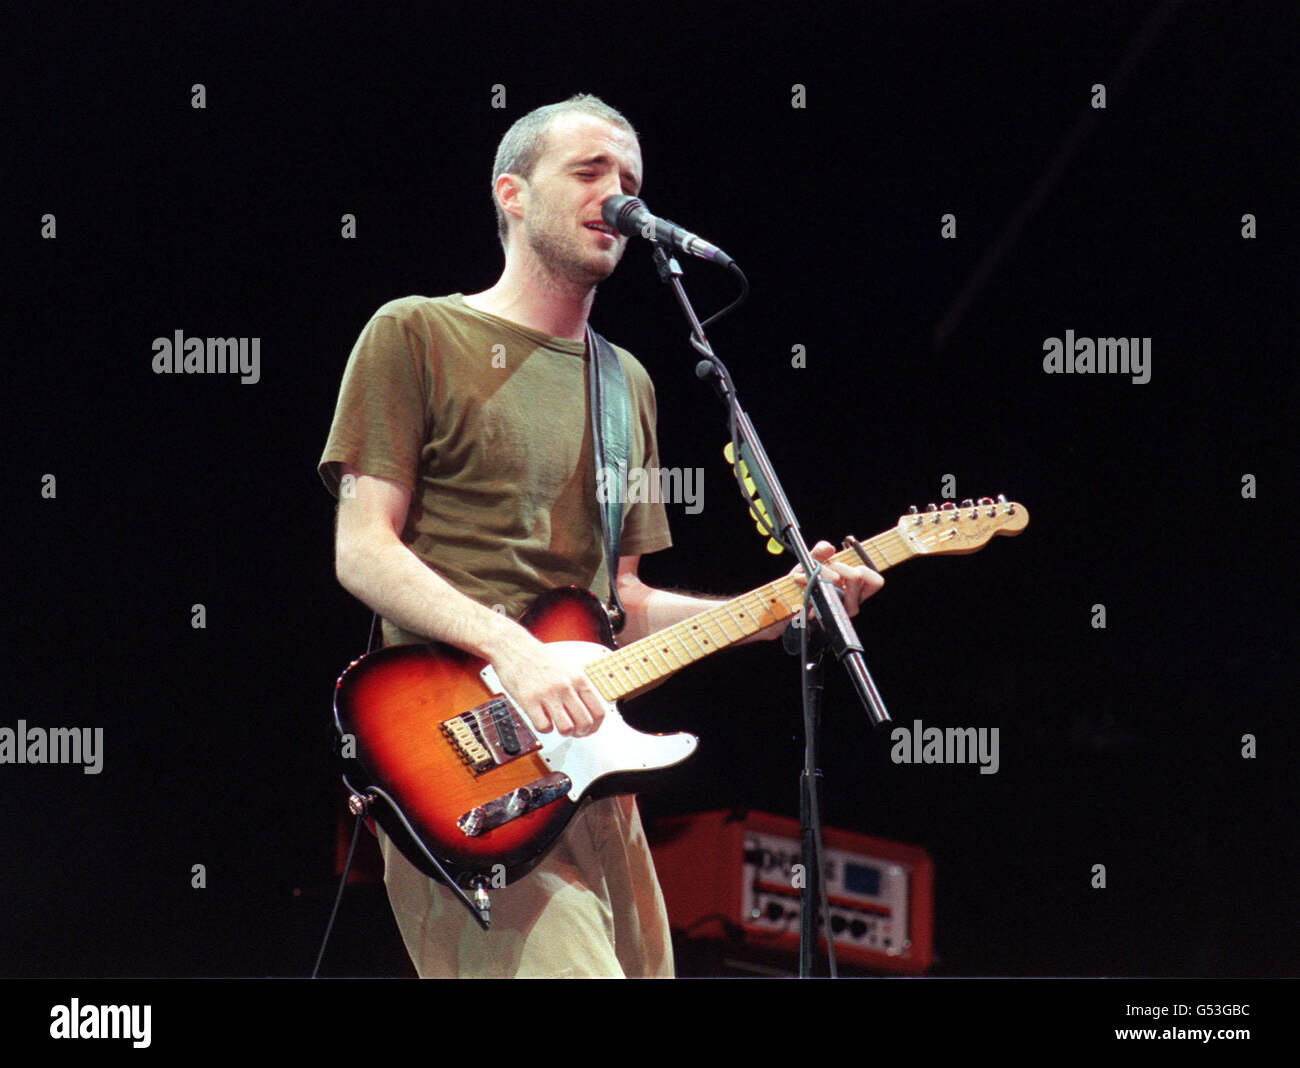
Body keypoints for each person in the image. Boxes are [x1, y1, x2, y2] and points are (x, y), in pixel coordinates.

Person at [318, 94, 882, 977]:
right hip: (459, 765)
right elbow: (362, 548)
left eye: (630, 181)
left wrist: (775, 612)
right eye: (588, 173)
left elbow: (621, 603)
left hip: (591, 780)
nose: (618, 197)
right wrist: (516, 650)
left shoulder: (628, 387)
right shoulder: (416, 332)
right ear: (512, 193)